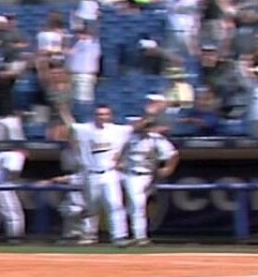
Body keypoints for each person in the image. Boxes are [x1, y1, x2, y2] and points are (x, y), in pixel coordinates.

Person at [59, 102, 134, 246]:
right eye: (99, 114)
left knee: (115, 204)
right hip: (91, 174)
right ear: (95, 116)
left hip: (109, 173)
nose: (102, 117)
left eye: (105, 114)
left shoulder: (117, 130)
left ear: (110, 116)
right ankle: (88, 235)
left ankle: (120, 237)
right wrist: (63, 109)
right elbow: (71, 125)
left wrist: (151, 114)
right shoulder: (86, 129)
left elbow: (135, 127)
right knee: (91, 207)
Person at [120, 115, 180, 246]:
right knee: (135, 205)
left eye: (148, 126)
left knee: (136, 205)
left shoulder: (156, 139)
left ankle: (138, 236)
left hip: (147, 176)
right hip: (129, 174)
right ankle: (138, 236)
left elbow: (173, 154)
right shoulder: (128, 137)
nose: (145, 128)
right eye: (143, 125)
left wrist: (168, 168)